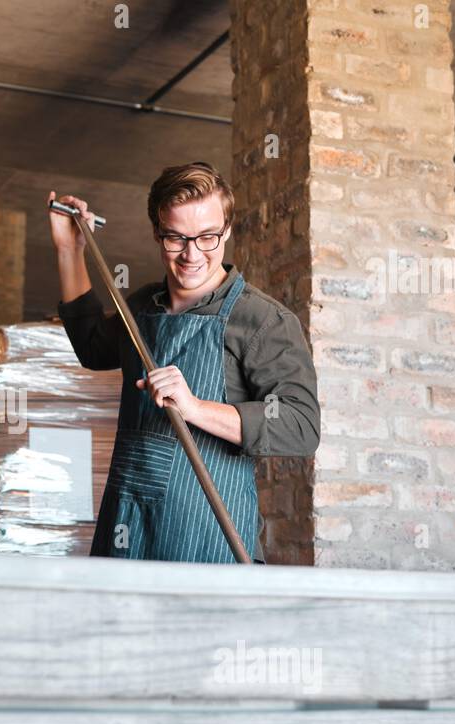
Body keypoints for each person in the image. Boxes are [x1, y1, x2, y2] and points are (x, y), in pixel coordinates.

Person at [47, 162, 319, 563]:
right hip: (127, 531)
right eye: (176, 238)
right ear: (158, 233)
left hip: (208, 540)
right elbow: (93, 348)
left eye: (208, 237)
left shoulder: (261, 320)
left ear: (226, 230)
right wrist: (69, 250)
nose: (192, 254)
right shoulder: (141, 306)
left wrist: (194, 409)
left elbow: (301, 426)